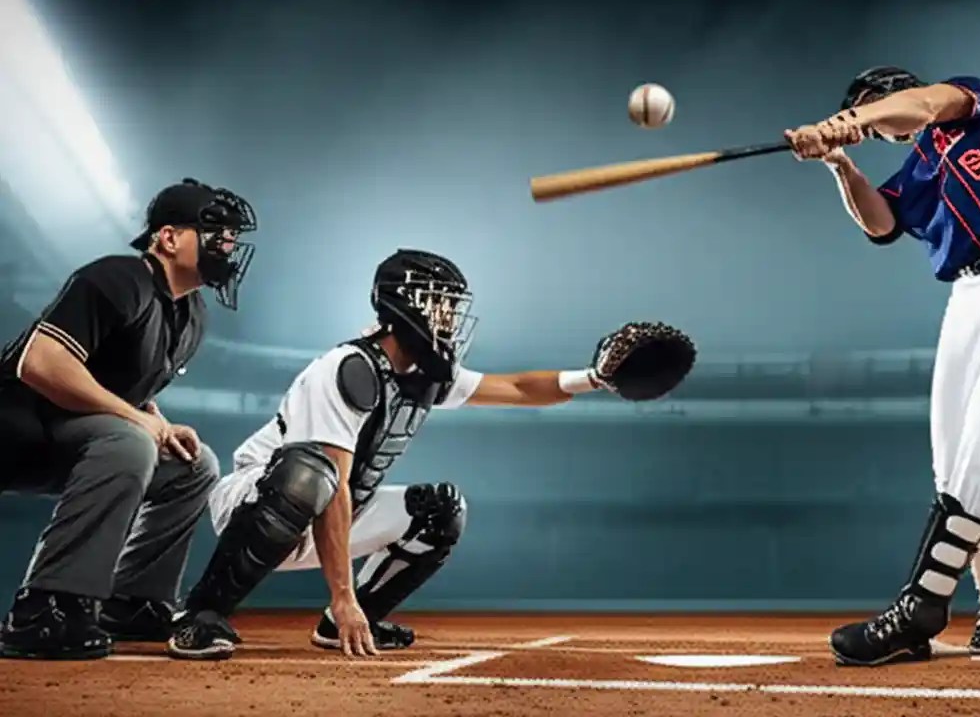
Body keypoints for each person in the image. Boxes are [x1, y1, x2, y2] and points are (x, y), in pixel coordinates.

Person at [166, 248, 635, 660]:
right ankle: (201, 612)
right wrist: (342, 591)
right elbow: (329, 488)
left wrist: (591, 377)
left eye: (453, 306)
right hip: (257, 501)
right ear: (404, 304)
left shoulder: (425, 373)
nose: (449, 317)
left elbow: (515, 387)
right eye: (440, 304)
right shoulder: (348, 368)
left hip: (329, 504)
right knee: (314, 474)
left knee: (441, 510)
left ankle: (342, 625)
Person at [784, 67, 980, 665]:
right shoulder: (916, 172)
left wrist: (843, 124)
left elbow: (923, 105)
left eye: (871, 109)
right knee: (953, 464)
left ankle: (922, 605)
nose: (871, 122)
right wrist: (841, 165)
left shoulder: (970, 103)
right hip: (972, 292)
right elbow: (881, 223)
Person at [0, 178, 259, 660]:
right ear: (167, 237)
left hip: (60, 434)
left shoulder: (191, 313)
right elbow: (40, 364)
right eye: (215, 232)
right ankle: (43, 609)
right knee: (130, 442)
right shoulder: (119, 277)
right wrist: (136, 421)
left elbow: (120, 388)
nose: (227, 245)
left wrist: (155, 419)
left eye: (231, 237)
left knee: (193, 463)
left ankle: (133, 601)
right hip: (13, 423)